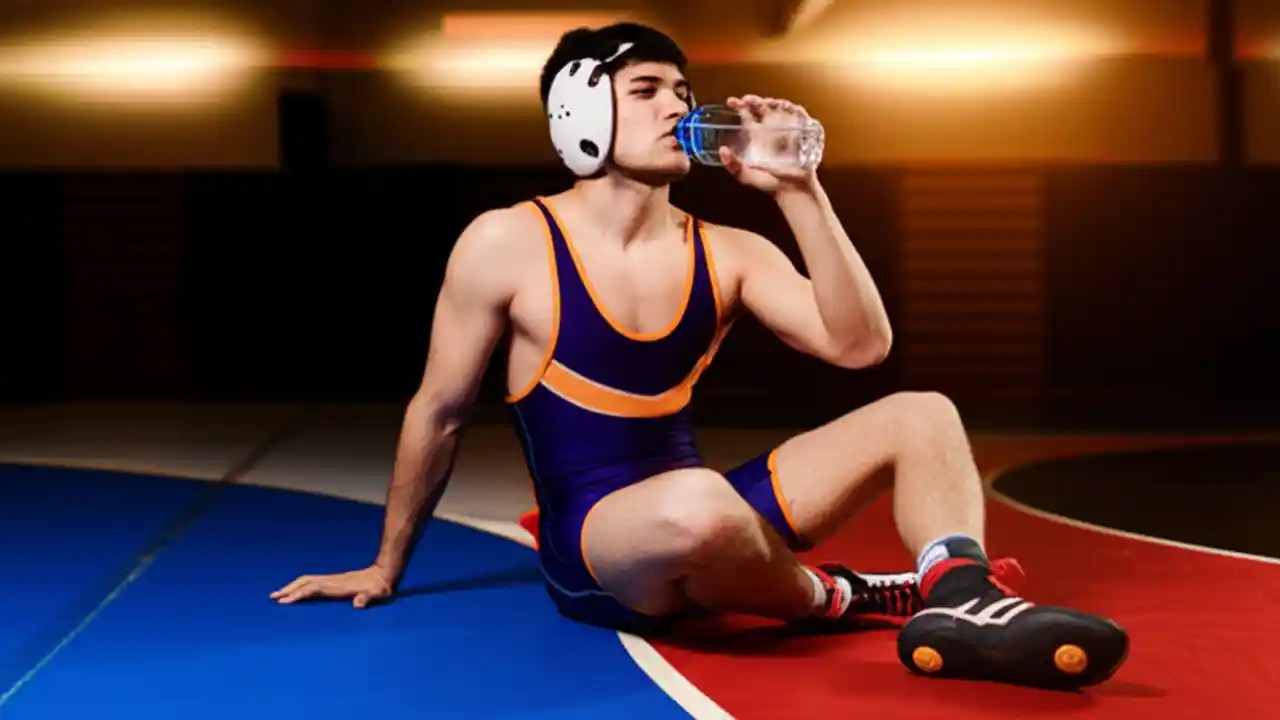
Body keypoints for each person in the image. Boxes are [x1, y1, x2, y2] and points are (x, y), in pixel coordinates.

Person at [271, 22, 1128, 689]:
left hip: (712, 512)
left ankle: (961, 599)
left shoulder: (729, 248)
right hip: (603, 547)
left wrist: (802, 193)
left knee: (923, 414)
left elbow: (863, 347)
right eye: (645, 88)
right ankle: (849, 595)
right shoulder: (507, 242)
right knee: (696, 505)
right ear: (579, 113)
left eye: (682, 89)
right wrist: (387, 567)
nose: (675, 106)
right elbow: (440, 411)